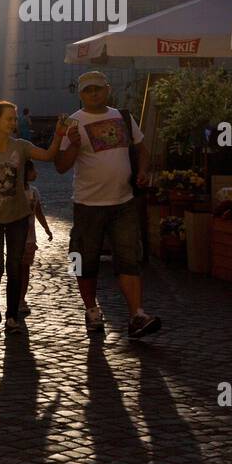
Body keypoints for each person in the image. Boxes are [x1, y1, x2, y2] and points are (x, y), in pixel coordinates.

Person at [55, 70, 161, 339]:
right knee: (85, 261)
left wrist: (143, 171)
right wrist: (74, 146)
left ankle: (137, 315)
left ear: (107, 89)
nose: (93, 94)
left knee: (129, 259)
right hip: (88, 204)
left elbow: (141, 149)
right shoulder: (74, 123)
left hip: (123, 202)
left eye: (98, 89)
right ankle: (91, 310)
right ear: (80, 94)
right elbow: (61, 166)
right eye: (88, 90)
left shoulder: (122, 117)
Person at [0, 100, 63, 333]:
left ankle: (12, 317)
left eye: (14, 118)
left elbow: (49, 155)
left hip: (19, 216)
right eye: (9, 118)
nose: (13, 122)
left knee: (15, 266)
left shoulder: (21, 147)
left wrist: (59, 134)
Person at [18, 160, 53, 317]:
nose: (36, 173)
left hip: (30, 239)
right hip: (16, 237)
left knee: (24, 269)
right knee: (17, 269)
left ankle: (21, 299)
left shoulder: (34, 192)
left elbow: (38, 212)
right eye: (34, 170)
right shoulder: (16, 193)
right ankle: (17, 299)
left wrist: (46, 228)